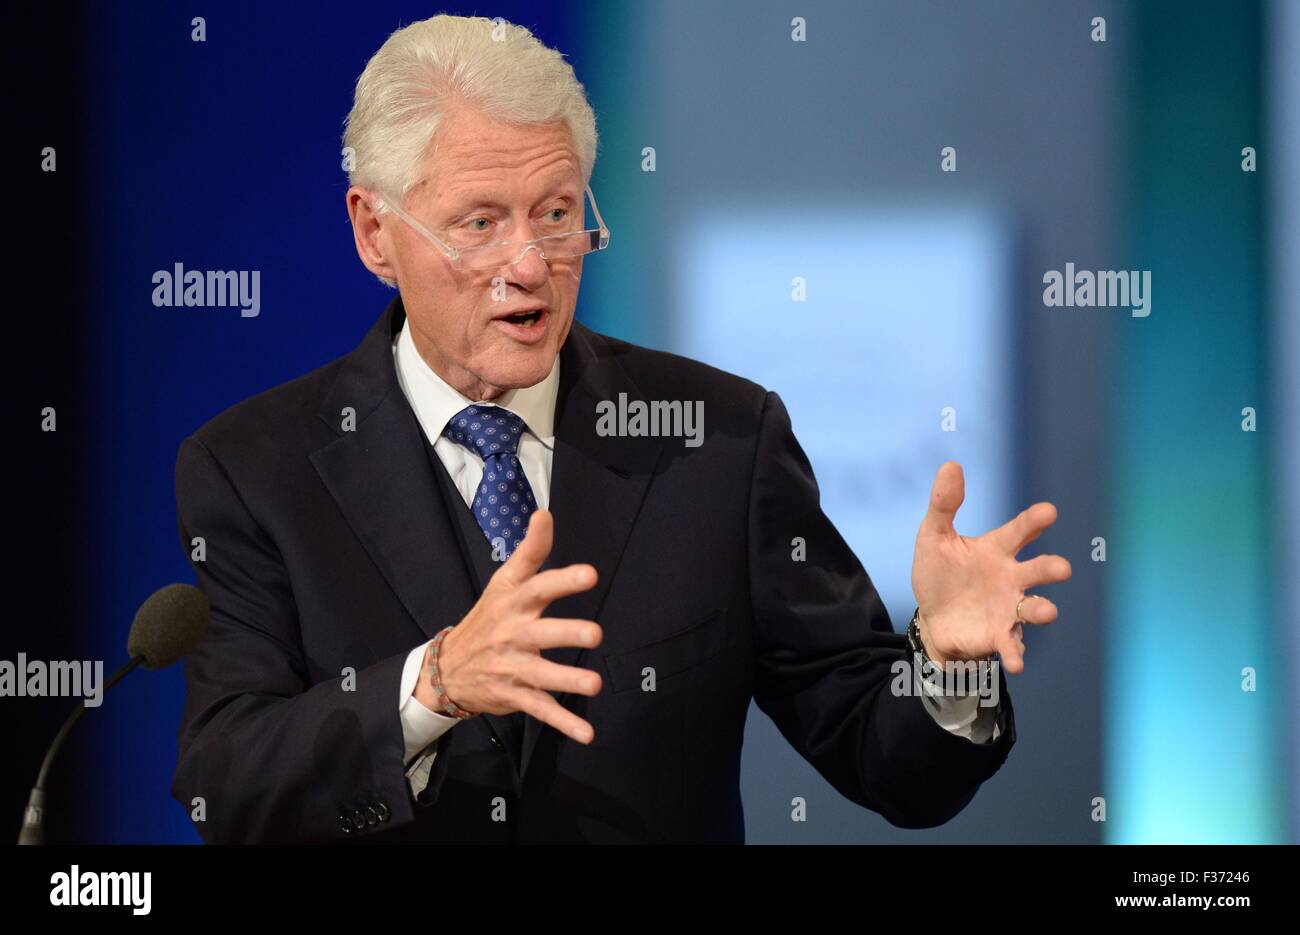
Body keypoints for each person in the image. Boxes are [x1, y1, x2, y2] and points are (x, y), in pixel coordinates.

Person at [171, 13, 1070, 843]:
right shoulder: (257, 470)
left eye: (557, 214)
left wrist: (947, 665)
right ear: (375, 233)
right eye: (480, 224)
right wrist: (432, 685)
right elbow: (229, 782)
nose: (529, 266)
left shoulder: (719, 440)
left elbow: (887, 759)